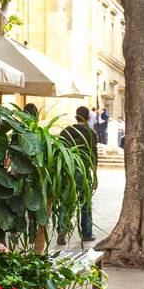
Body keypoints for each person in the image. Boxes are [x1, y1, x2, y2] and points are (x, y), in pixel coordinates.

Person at [61, 104, 98, 242]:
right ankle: (87, 233)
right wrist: (94, 175)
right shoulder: (91, 133)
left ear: (76, 117)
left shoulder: (66, 131)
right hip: (83, 170)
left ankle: (62, 230)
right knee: (85, 203)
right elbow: (94, 155)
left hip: (68, 170)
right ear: (88, 117)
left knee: (66, 202)